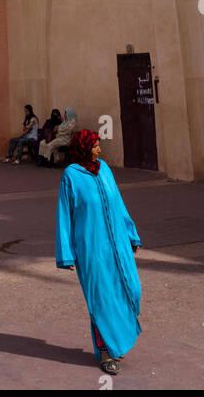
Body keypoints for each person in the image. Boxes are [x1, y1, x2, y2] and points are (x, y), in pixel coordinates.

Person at [56, 129, 141, 375]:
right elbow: (64, 216)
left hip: (118, 245)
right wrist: (67, 254)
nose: (99, 150)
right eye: (94, 146)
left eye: (98, 145)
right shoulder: (70, 176)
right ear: (83, 147)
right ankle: (106, 351)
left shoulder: (104, 168)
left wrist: (131, 232)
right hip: (91, 248)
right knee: (101, 299)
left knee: (132, 290)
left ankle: (117, 340)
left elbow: (118, 202)